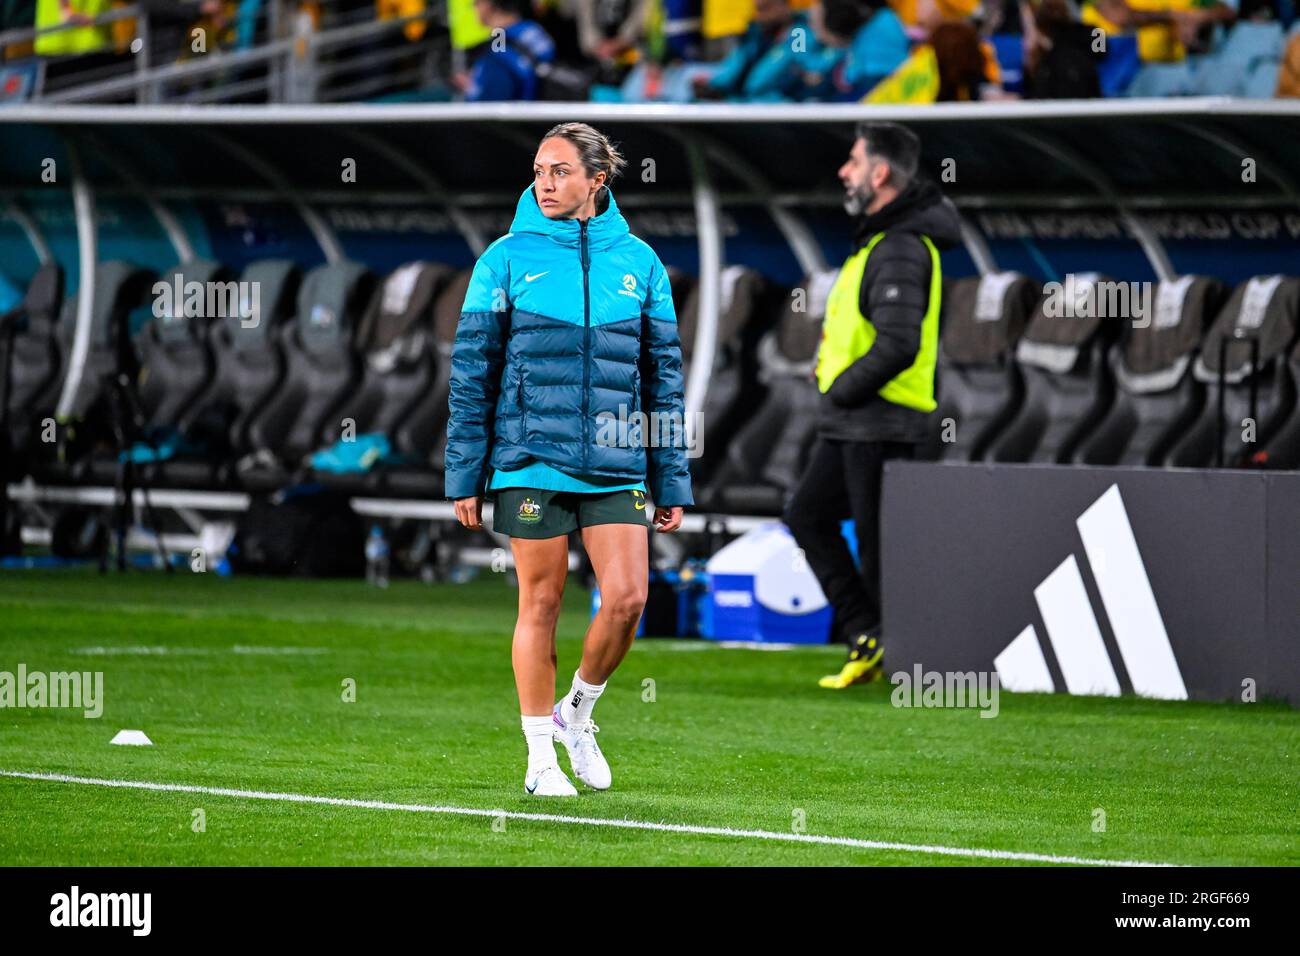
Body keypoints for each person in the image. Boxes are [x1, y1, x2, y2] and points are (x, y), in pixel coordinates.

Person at [445, 122, 693, 796]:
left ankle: (576, 714)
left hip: (617, 461)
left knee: (628, 600)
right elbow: (473, 372)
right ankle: (538, 761)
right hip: (529, 457)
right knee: (543, 602)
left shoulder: (640, 263)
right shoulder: (502, 258)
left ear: (597, 182)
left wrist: (671, 476)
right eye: (538, 170)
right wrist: (466, 474)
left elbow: (664, 378)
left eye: (559, 171)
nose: (544, 183)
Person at [782, 122, 960, 690]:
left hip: (882, 424)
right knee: (808, 514)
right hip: (854, 424)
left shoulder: (903, 246)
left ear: (879, 174)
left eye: (853, 161)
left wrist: (840, 388)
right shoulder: (881, 241)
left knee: (884, 550)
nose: (843, 172)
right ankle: (870, 634)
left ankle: (906, 658)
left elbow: (899, 343)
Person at [452, 0, 556, 100]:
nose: (473, 8)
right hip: (544, 110)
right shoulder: (533, 30)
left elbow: (489, 104)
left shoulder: (498, 48)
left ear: (488, 4)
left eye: (476, 3)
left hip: (519, 114)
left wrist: (471, 88)